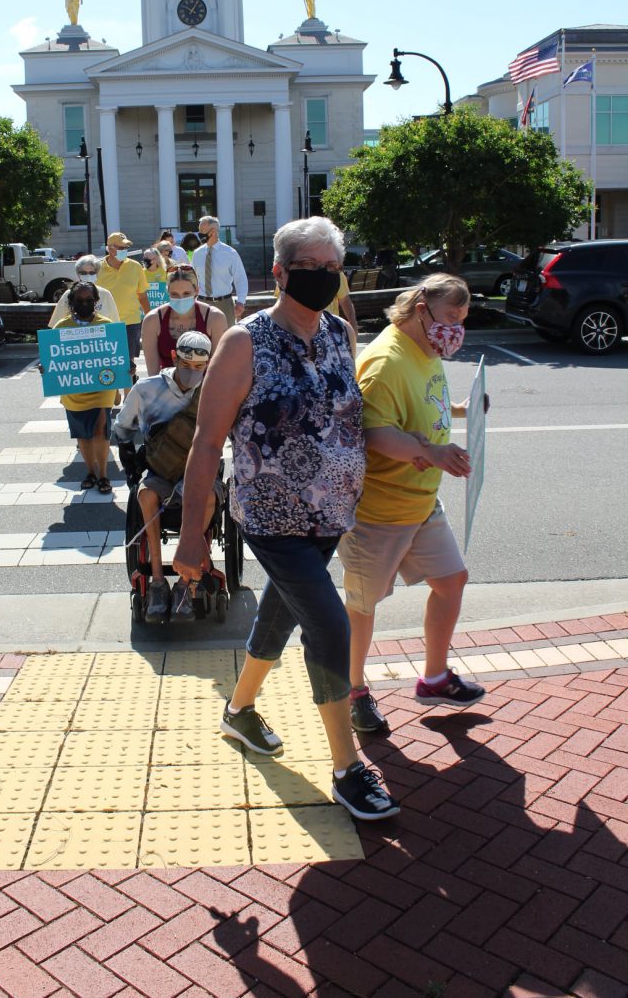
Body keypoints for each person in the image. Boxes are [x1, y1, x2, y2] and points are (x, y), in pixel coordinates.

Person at [173, 216, 399, 823]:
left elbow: (348, 419)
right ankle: (349, 769)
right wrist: (193, 535)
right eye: (311, 269)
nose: (325, 279)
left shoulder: (339, 334)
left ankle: (239, 710)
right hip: (273, 515)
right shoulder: (244, 343)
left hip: (332, 514)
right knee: (329, 626)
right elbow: (205, 444)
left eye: (333, 269)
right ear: (278, 273)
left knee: (281, 611)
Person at [337, 274, 487, 737]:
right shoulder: (385, 361)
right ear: (421, 309)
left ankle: (435, 678)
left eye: (462, 320)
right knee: (362, 608)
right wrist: (434, 454)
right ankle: (352, 692)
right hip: (377, 513)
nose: (456, 329)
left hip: (420, 502)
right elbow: (376, 433)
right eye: (450, 318)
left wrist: (463, 409)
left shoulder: (426, 350)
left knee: (451, 580)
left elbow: (423, 405)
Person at [114, 331, 219, 623]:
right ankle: (158, 581)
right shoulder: (147, 389)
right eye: (187, 364)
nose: (193, 372)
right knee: (146, 494)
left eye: (200, 367)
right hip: (160, 467)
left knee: (209, 497)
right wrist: (130, 464)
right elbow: (122, 429)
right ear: (174, 357)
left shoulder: (214, 391)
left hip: (199, 471)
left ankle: (186, 583)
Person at [53, 281, 116, 493]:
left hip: (102, 389)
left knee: (100, 430)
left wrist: (128, 368)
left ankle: (104, 475)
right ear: (71, 302)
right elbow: (53, 357)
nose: (84, 304)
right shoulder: (61, 327)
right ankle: (90, 471)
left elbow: (116, 356)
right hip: (74, 390)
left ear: (96, 302)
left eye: (89, 300)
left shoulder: (107, 325)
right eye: (79, 300)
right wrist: (48, 368)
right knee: (83, 435)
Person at [141, 264, 227, 376]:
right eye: (174, 294)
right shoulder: (153, 320)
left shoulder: (214, 318)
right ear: (167, 292)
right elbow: (153, 373)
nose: (181, 299)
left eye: (186, 294)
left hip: (205, 386)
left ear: (197, 290)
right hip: (165, 386)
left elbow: (218, 367)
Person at [96, 232, 150, 398]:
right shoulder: (97, 268)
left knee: (128, 363)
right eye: (120, 247)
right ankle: (113, 392)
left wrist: (150, 317)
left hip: (131, 321)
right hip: (104, 323)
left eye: (126, 247)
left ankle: (128, 398)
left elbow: (142, 295)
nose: (124, 250)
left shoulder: (135, 267)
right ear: (110, 248)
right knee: (107, 361)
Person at [191, 215, 248, 329]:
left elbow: (240, 278)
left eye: (202, 230)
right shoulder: (197, 253)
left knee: (227, 339)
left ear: (213, 231)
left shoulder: (230, 253)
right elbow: (193, 278)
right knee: (202, 338)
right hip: (202, 303)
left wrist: (241, 302)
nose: (199, 234)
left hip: (224, 303)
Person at [47, 255, 118, 327]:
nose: (88, 275)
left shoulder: (105, 294)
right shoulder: (68, 294)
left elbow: (115, 324)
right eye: (83, 273)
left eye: (91, 273)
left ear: (97, 273)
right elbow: (56, 324)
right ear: (78, 274)